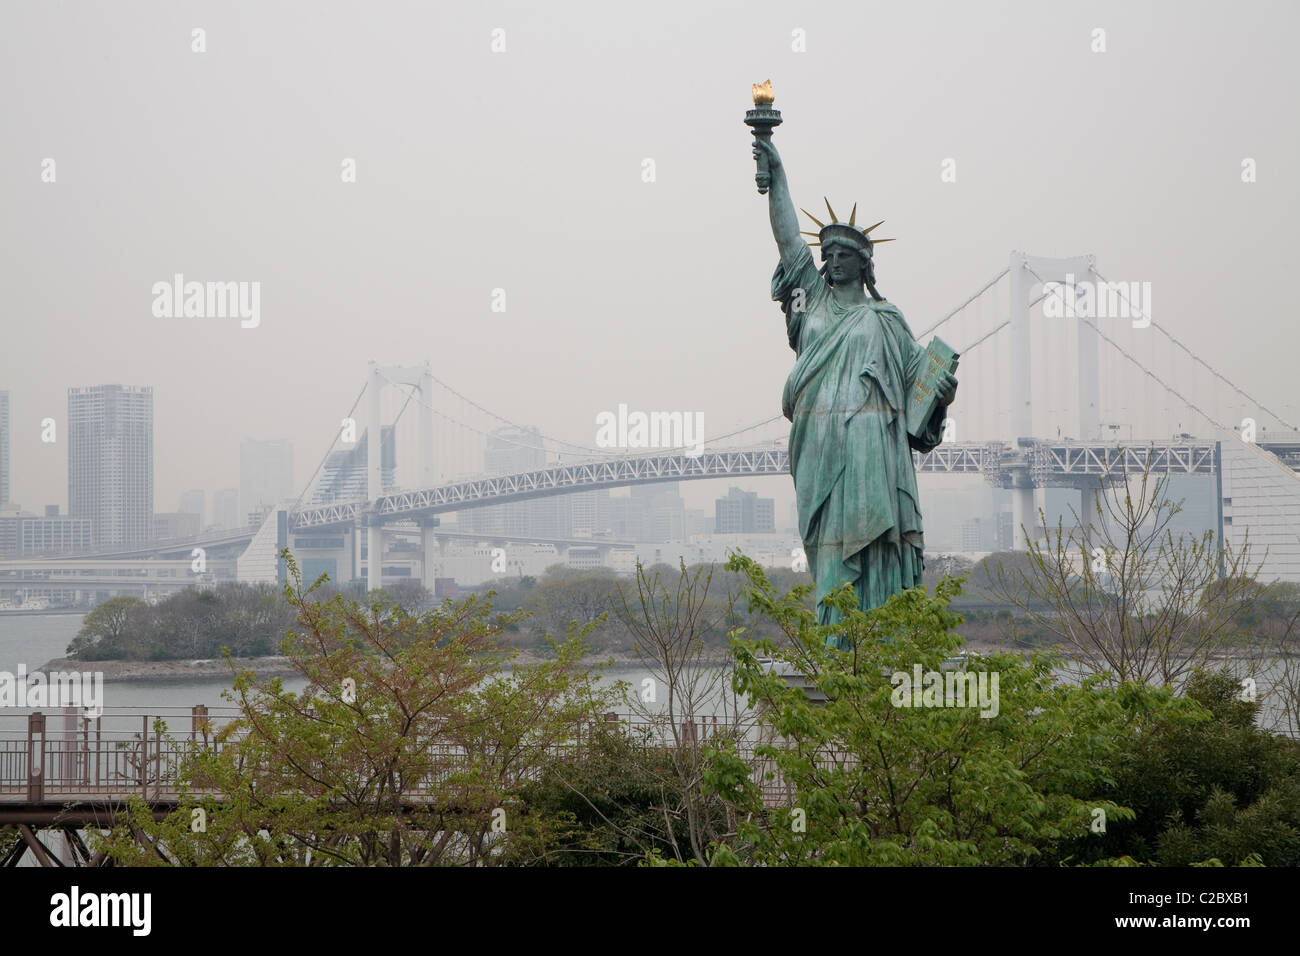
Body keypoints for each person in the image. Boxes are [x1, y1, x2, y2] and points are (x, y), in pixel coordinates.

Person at [753, 136, 958, 638]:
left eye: (845, 253)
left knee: (878, 538)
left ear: (865, 264)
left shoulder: (886, 319)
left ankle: (882, 634)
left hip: (874, 446)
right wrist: (776, 170)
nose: (835, 259)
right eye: (829, 253)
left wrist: (941, 394)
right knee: (828, 543)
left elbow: (917, 395)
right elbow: (787, 239)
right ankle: (837, 632)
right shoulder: (812, 304)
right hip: (819, 444)